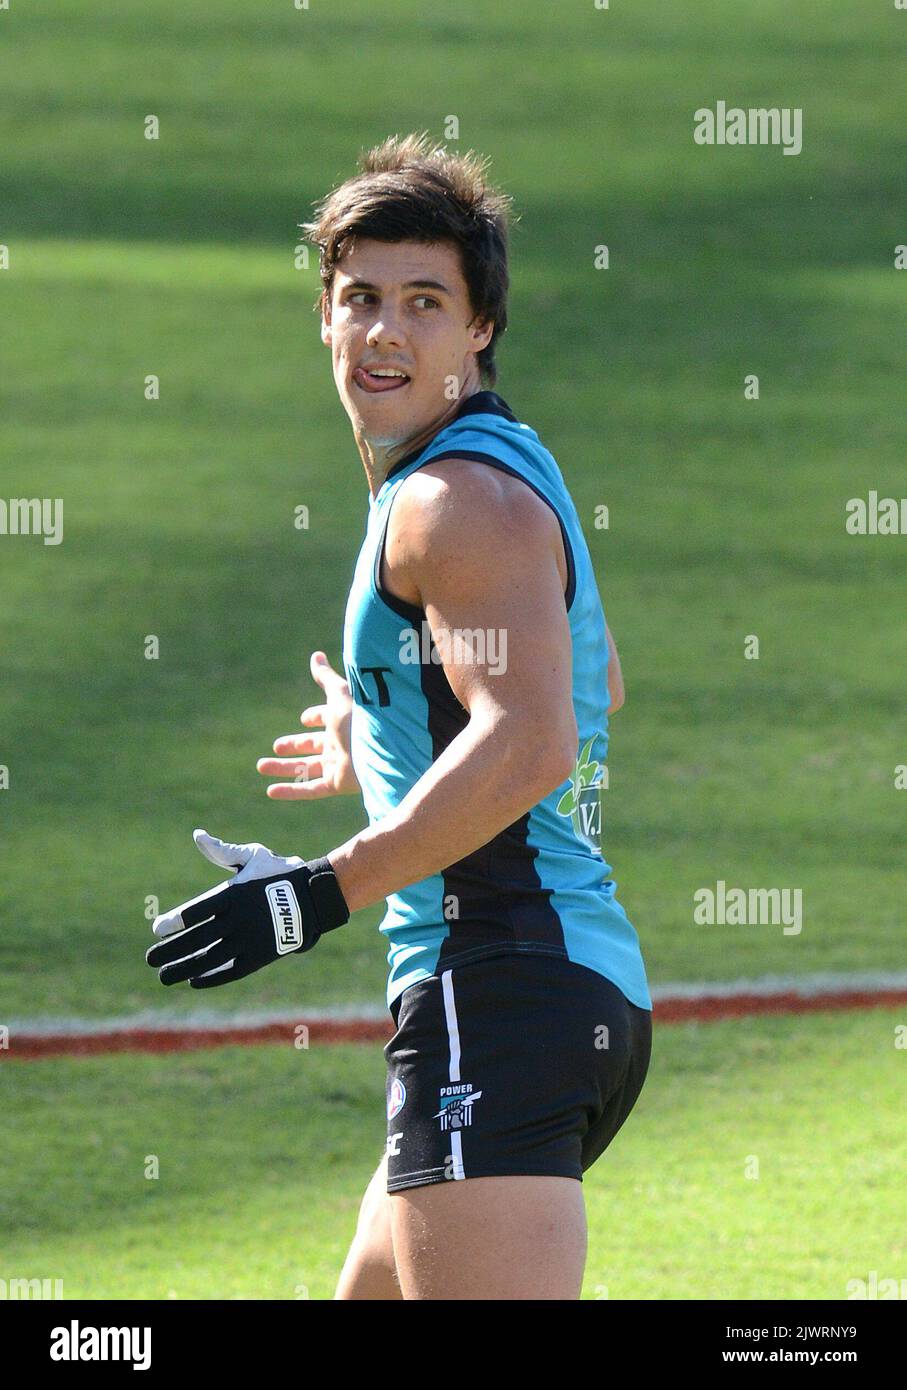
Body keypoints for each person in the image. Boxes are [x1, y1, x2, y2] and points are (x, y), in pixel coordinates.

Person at [147, 132, 652, 1301]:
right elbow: (595, 677)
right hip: (556, 986)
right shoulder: (504, 465)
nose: (385, 333)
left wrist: (320, 889)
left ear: (478, 328)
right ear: (323, 314)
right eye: (360, 298)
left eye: (425, 302)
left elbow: (532, 737)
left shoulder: (451, 502)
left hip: (497, 987)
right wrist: (387, 726)